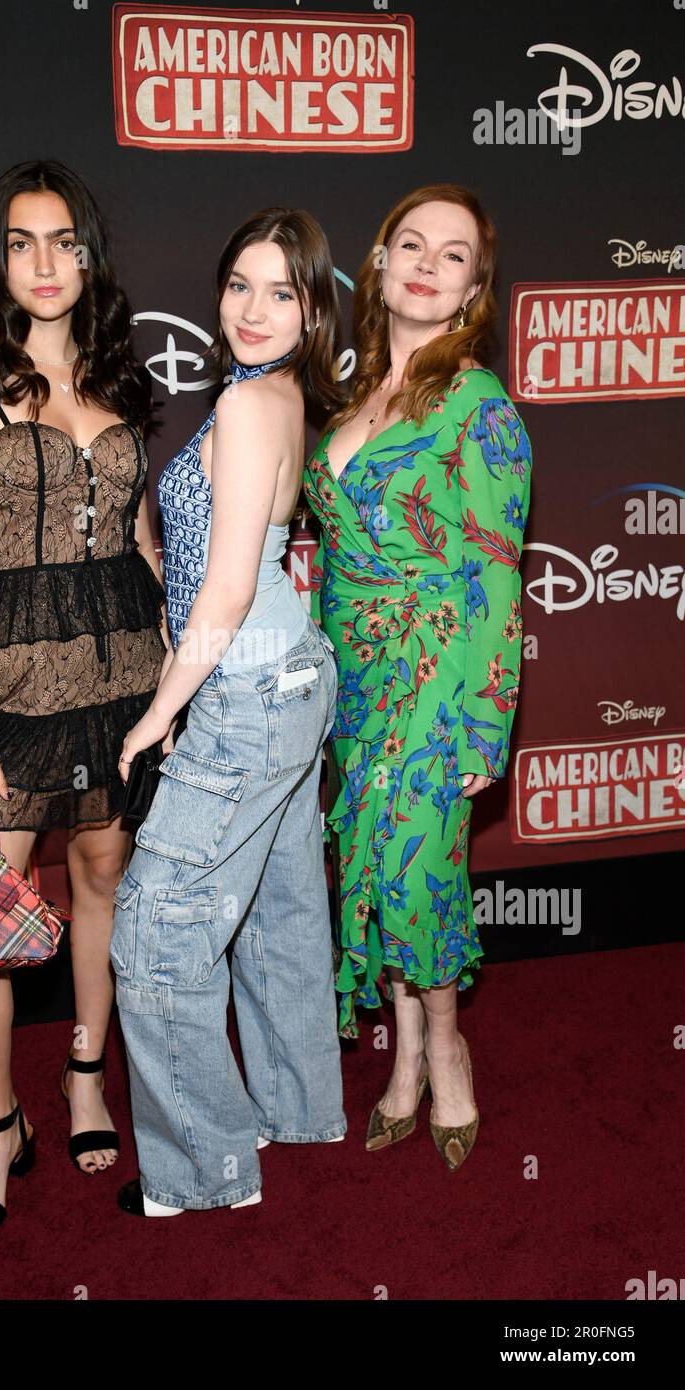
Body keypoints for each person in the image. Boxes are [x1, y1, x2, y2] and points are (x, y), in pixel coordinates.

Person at [0, 159, 169, 1243]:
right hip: (7, 691)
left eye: (63, 240)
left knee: (101, 874)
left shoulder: (122, 377)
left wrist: (175, 680)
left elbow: (142, 541)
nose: (45, 264)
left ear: (90, 253)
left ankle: (83, 1075)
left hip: (122, 678)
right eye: (21, 242)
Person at [110, 208, 347, 1215]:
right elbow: (227, 561)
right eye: (239, 284)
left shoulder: (251, 406)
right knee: (280, 915)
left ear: (314, 308)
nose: (253, 309)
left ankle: (205, 1170)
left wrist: (159, 713)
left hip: (244, 691)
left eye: (281, 291)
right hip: (293, 674)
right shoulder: (277, 395)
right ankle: (297, 1107)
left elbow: (228, 592)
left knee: (155, 934)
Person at [301, 184, 532, 1170]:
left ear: (476, 283)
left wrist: (487, 722)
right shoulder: (355, 396)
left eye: (453, 253)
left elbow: (496, 571)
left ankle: (447, 1044)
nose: (427, 263)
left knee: (417, 865)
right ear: (381, 260)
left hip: (440, 672)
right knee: (369, 865)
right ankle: (399, 1062)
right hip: (354, 670)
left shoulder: (479, 406)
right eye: (410, 244)